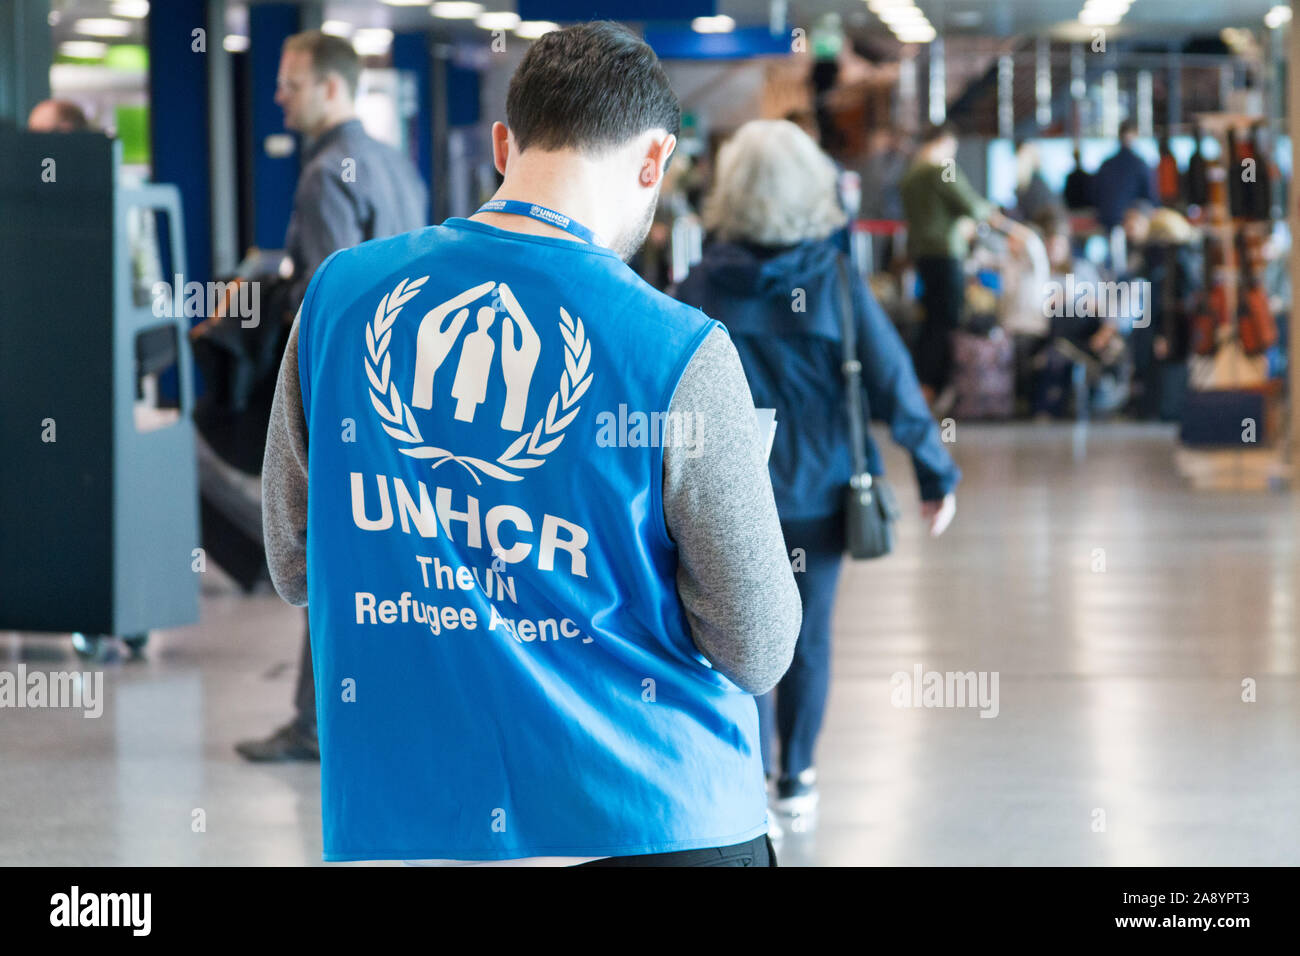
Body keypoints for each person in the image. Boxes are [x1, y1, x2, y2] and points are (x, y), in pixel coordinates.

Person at [260, 21, 801, 865]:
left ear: (506, 144)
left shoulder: (339, 300)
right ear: (654, 160)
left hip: (407, 826)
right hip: (654, 817)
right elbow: (759, 646)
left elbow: (295, 565)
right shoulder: (679, 350)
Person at [673, 119, 960, 818]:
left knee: (738, 636)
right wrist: (933, 474)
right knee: (808, 634)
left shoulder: (701, 283)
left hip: (728, 497)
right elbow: (892, 378)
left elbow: (662, 381)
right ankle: (796, 776)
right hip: (822, 494)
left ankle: (745, 777)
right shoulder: (835, 281)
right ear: (814, 190)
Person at [236, 29, 429, 763]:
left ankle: (319, 723)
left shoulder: (324, 177)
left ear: (331, 87)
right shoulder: (394, 165)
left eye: (290, 83)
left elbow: (329, 306)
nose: (278, 96)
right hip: (410, 391)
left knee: (330, 552)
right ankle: (373, 710)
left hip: (355, 401)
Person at [899, 123, 1009, 408]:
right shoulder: (940, 170)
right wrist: (992, 215)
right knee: (947, 320)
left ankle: (922, 385)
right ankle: (939, 386)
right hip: (946, 254)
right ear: (945, 142)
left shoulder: (910, 175)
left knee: (929, 319)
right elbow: (972, 206)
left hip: (922, 254)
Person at [1093, 119, 1157, 232]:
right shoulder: (1140, 164)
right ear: (1135, 135)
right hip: (1131, 224)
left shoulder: (1106, 164)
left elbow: (1094, 194)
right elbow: (1150, 198)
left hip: (1107, 220)